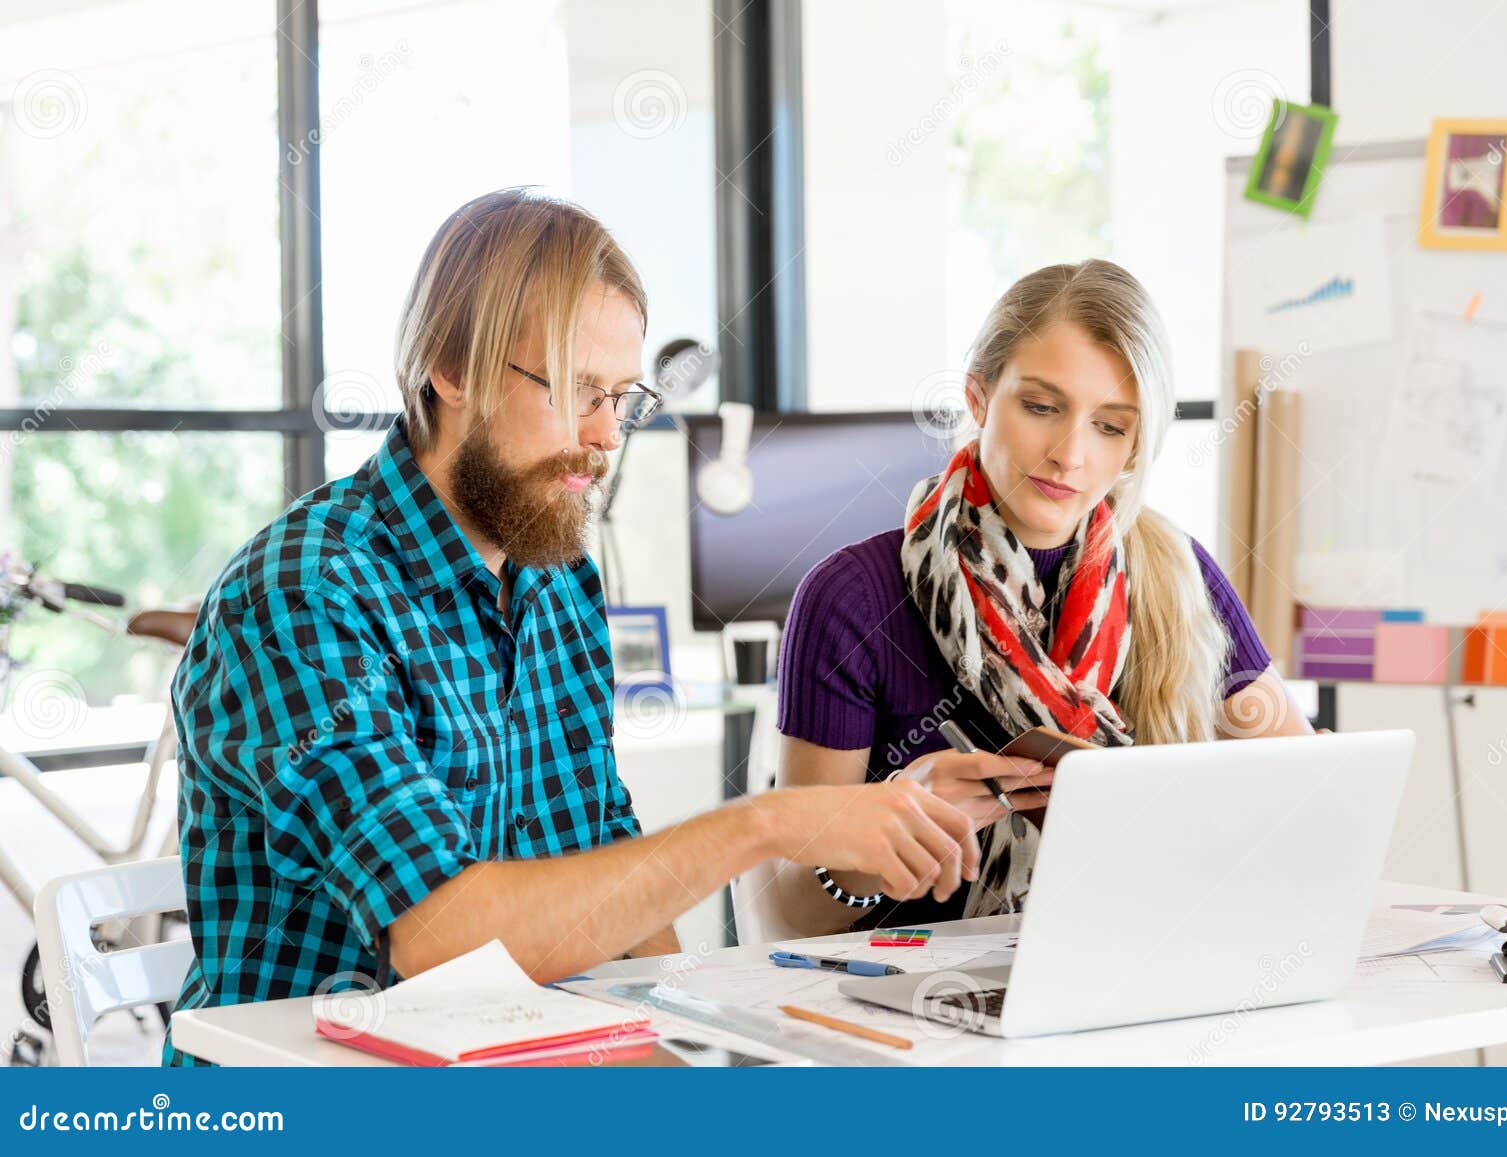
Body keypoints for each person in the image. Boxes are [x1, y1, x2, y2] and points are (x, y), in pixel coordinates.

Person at [162, 189, 977, 1064]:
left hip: (521, 1061)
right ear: (451, 367)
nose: (605, 436)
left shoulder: (555, 578)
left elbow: (603, 857)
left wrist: (697, 1039)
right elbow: (439, 933)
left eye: (622, 399)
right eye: (579, 390)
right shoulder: (305, 590)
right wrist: (766, 822)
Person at [772, 260, 1313, 937]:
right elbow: (791, 907)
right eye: (1040, 407)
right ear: (978, 397)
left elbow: (1308, 797)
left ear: (1135, 446)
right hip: (908, 989)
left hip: (1133, 966)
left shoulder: (1177, 573)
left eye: (1110, 426)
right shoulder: (851, 597)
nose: (1070, 454)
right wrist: (885, 829)